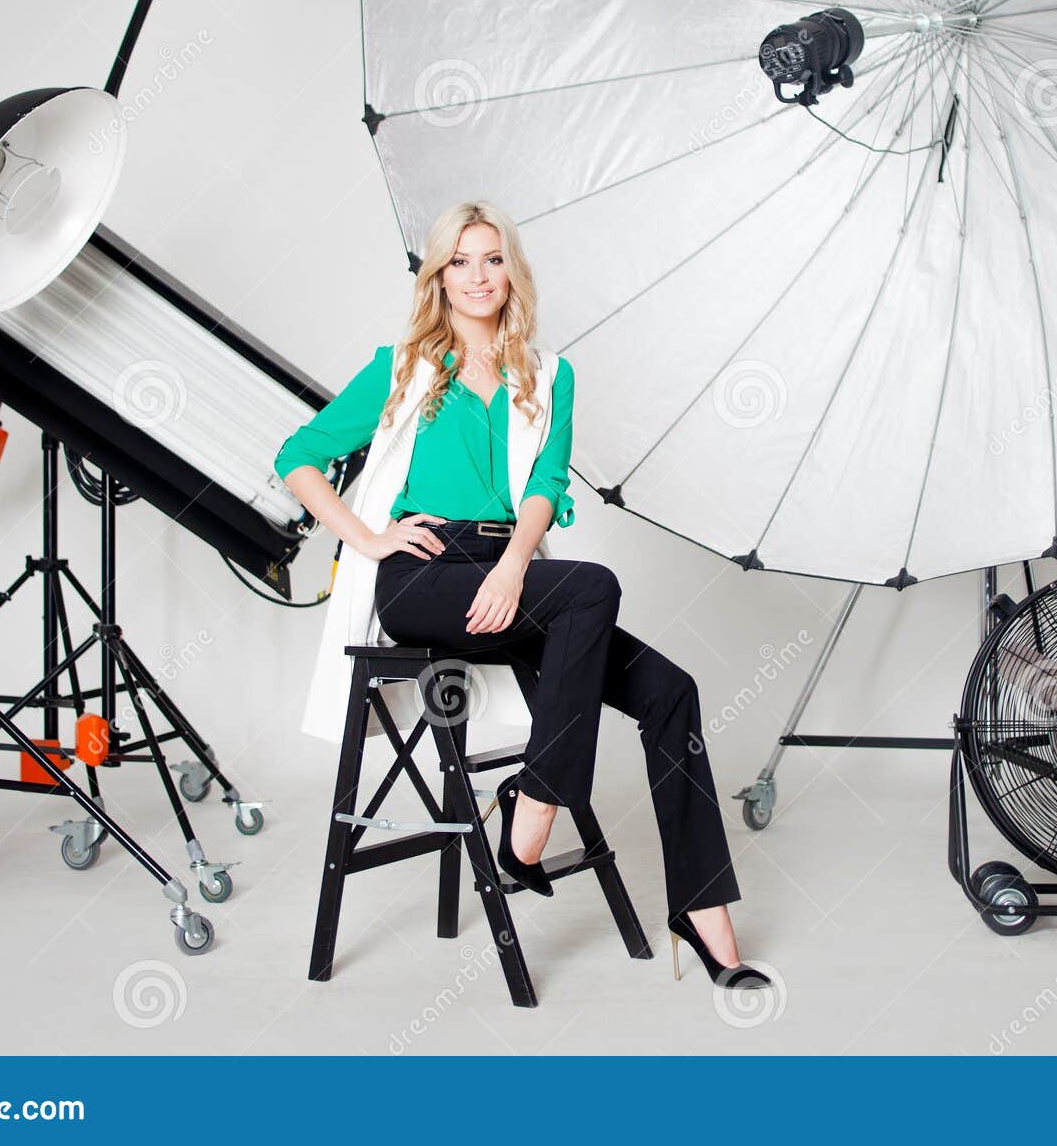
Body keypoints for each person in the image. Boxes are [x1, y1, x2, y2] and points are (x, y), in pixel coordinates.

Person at [275, 199, 769, 990]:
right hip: (426, 577)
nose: (478, 276)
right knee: (593, 588)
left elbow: (544, 485)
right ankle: (537, 806)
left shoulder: (548, 376)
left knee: (673, 691)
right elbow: (298, 456)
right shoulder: (403, 368)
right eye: (461, 261)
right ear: (439, 275)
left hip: (515, 575)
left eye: (493, 259)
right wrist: (367, 540)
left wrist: (513, 566)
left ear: (513, 271)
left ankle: (702, 912)